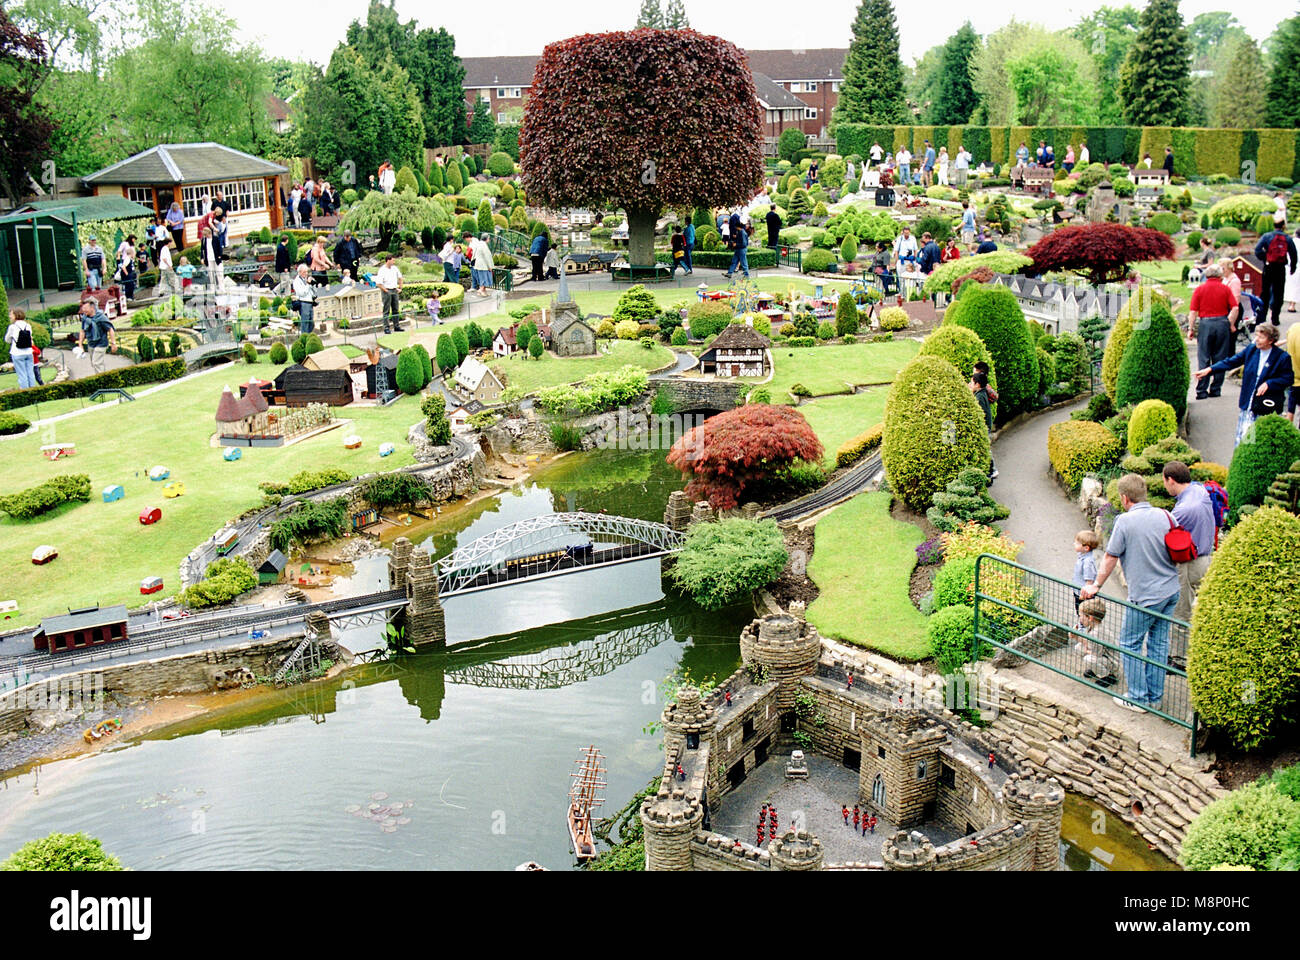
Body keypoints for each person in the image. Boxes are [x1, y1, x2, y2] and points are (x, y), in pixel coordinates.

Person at [1079, 473, 1182, 713]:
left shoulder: (1124, 522)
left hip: (1145, 597)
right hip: (1170, 591)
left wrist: (1095, 585)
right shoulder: (1165, 515)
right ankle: (1154, 697)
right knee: (1158, 644)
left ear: (1125, 498)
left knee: (1130, 643)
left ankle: (1138, 698)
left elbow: (1110, 557)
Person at [1195, 323, 1294, 446]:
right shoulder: (1251, 350)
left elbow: (1288, 378)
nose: (1257, 339)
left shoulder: (1282, 357)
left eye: (1261, 337)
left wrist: (1270, 383)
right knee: (1244, 439)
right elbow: (1231, 362)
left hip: (1266, 406)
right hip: (1248, 404)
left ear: (1271, 340)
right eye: (1256, 336)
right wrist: (1209, 370)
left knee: (1262, 441)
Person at [1163, 460, 1216, 625]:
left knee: (1181, 613)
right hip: (1206, 556)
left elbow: (1165, 534)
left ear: (1171, 480)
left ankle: (1178, 651)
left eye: (1164, 481)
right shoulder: (1199, 490)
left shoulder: (1182, 510)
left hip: (1189, 563)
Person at [1188, 264, 1239, 399]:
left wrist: (1190, 329)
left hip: (1206, 323)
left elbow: (1193, 312)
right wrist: (1230, 322)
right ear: (1219, 276)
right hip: (1222, 323)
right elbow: (1235, 308)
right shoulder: (1225, 289)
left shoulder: (1199, 289)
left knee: (1204, 357)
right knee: (1220, 357)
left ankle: (1201, 390)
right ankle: (1216, 388)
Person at [1254, 222, 1298, 324]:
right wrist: (1292, 267)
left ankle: (1262, 316)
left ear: (1273, 225)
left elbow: (1257, 250)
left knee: (1265, 292)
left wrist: (1265, 258)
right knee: (1279, 293)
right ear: (1283, 226)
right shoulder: (1287, 238)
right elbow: (1293, 254)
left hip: (1269, 267)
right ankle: (1275, 318)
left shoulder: (1267, 236)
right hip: (1280, 268)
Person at [1073, 598, 1114, 683]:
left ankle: (1107, 676)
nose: (1080, 619)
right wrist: (1075, 636)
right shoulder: (1093, 627)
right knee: (1078, 648)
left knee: (1088, 659)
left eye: (1081, 616)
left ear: (1090, 618)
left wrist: (1086, 650)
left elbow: (1096, 653)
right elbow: (1089, 643)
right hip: (1102, 656)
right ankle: (1095, 669)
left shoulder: (1096, 633)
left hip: (1111, 661)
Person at [76, 300, 117, 374]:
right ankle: (100, 378)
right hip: (91, 344)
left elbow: (110, 329)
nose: (84, 311)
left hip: (101, 343)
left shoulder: (101, 317)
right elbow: (82, 330)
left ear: (92, 307)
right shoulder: (85, 318)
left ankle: (102, 381)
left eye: (85, 308)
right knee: (94, 364)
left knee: (96, 363)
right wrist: (80, 344)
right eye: (83, 309)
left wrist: (113, 343)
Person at [970, 371, 996, 481]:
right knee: (985, 448)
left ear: (977, 385)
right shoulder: (982, 393)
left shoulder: (979, 397)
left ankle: (991, 470)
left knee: (985, 448)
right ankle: (990, 469)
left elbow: (978, 414)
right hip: (986, 426)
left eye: (971, 383)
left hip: (984, 427)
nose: (970, 385)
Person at [4, 309, 37, 389]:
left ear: (16, 315)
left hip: (17, 353)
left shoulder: (12, 327)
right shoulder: (28, 325)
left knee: (22, 374)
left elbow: (7, 340)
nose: (10, 316)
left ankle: (25, 392)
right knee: (30, 373)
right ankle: (33, 390)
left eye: (11, 314)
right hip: (28, 352)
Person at [1072, 529, 1099, 613]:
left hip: (1083, 594)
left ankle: (1083, 625)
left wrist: (1084, 594)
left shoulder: (1088, 562)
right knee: (1078, 610)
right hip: (1078, 590)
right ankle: (1081, 624)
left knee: (1083, 612)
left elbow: (1089, 580)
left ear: (1086, 548)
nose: (1074, 544)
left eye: (1077, 543)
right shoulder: (1082, 557)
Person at [376, 254, 404, 333]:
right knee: (386, 310)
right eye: (393, 260)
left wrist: (400, 287)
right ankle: (386, 327)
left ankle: (396, 326)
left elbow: (400, 277)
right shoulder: (382, 270)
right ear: (388, 260)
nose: (394, 262)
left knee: (396, 309)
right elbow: (378, 283)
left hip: (394, 289)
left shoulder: (395, 268)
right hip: (387, 290)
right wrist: (385, 290)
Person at [291, 264, 317, 334]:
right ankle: (304, 337)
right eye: (304, 272)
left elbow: (314, 292)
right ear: (299, 272)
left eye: (307, 272)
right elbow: (302, 293)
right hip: (303, 303)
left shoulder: (306, 279)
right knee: (305, 323)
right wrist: (308, 284)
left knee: (311, 323)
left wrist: (313, 284)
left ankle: (310, 337)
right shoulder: (296, 281)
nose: (306, 274)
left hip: (310, 302)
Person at [470, 232, 495, 297]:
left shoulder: (478, 244)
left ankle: (484, 291)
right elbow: (487, 256)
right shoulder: (484, 245)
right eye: (489, 238)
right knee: (484, 278)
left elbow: (474, 254)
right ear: (486, 239)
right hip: (483, 265)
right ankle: (481, 290)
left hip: (478, 264)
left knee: (481, 278)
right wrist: (490, 266)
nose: (489, 240)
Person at [1285, 226, 1300, 313]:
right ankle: (1292, 305)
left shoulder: (1291, 241)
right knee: (1296, 286)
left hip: (1289, 265)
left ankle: (1290, 304)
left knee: (1289, 285)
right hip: (1298, 266)